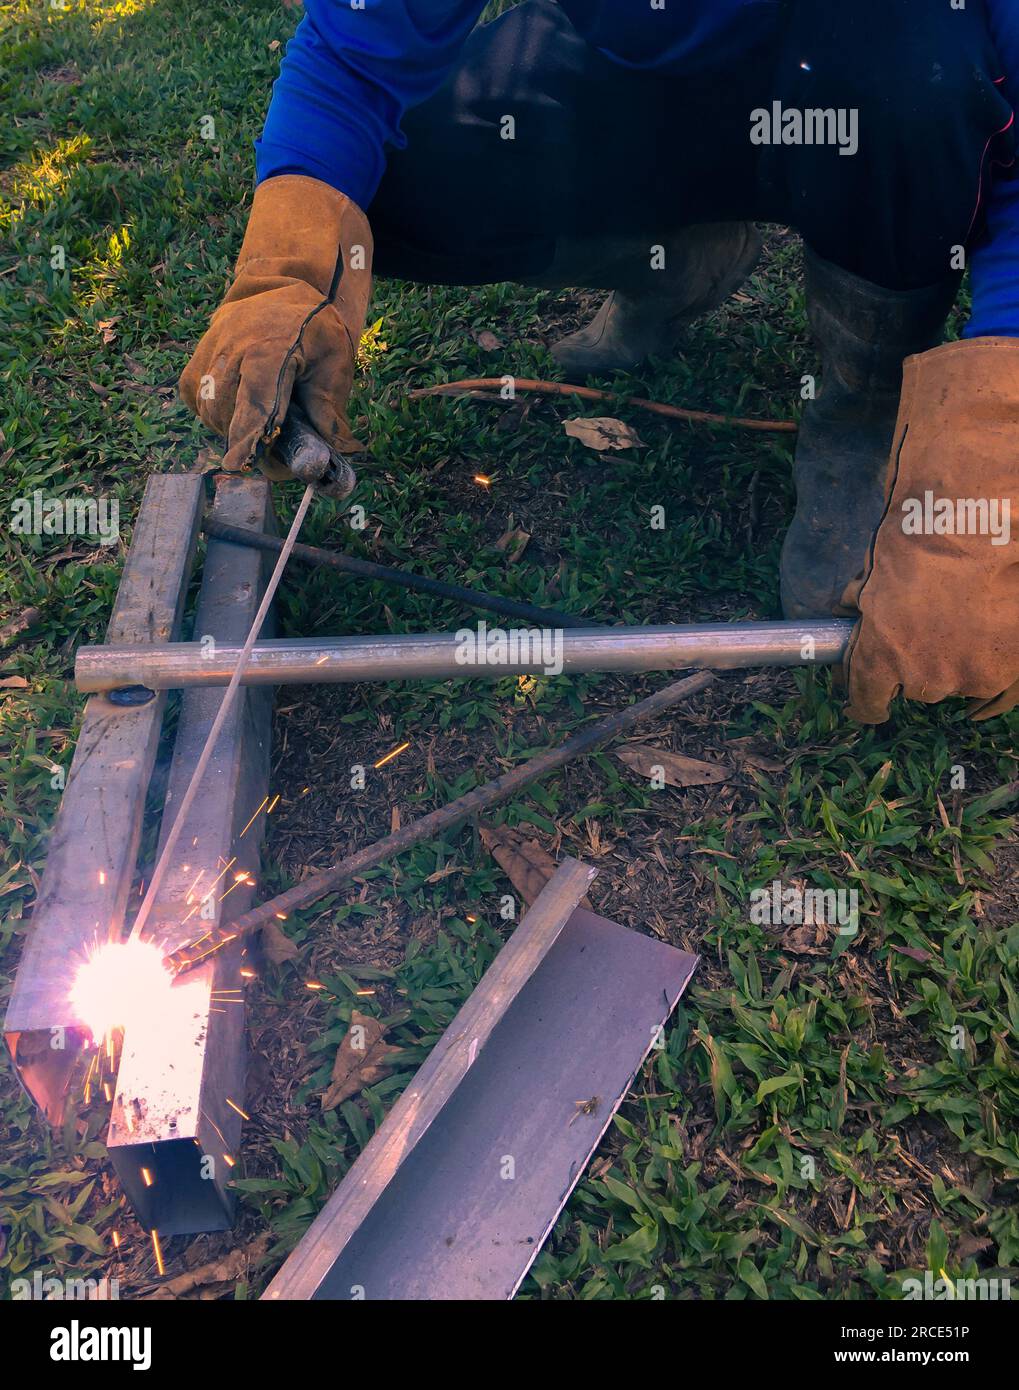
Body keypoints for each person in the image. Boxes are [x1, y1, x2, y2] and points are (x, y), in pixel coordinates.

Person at [180, 0, 1019, 722]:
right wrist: (288, 271)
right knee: (397, 163)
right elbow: (352, 58)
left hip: (882, 104)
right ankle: (675, 260)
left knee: (915, 76)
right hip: (656, 82)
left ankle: (865, 406)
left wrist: (996, 449)